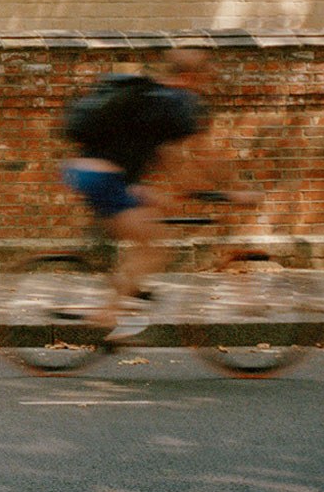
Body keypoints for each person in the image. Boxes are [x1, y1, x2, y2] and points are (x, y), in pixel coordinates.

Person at [60, 47, 220, 340]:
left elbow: (149, 152)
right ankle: (108, 314)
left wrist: (158, 193)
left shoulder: (148, 97)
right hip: (103, 178)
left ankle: (129, 291)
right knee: (158, 246)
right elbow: (181, 160)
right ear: (189, 76)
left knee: (155, 212)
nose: (206, 83)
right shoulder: (173, 103)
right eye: (205, 76)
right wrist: (217, 192)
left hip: (86, 170)